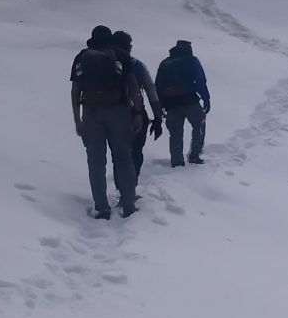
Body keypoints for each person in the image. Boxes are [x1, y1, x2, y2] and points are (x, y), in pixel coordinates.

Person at [70, 25, 145, 219]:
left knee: (96, 162)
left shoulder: (82, 57)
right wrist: (138, 113)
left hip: (91, 113)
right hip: (119, 112)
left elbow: (75, 91)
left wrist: (77, 120)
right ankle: (128, 205)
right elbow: (134, 86)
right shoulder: (120, 55)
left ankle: (102, 207)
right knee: (123, 158)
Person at [112, 30, 163, 184]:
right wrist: (158, 118)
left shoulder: (104, 62)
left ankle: (121, 187)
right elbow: (150, 90)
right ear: (128, 47)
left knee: (118, 155)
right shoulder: (137, 64)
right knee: (135, 152)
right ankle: (130, 187)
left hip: (110, 114)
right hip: (136, 113)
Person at [154, 40, 210, 167]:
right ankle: (195, 155)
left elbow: (158, 86)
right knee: (199, 124)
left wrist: (160, 105)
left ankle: (177, 161)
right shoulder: (192, 60)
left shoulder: (165, 63)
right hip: (190, 101)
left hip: (171, 104)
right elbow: (201, 80)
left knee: (175, 134)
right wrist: (206, 98)